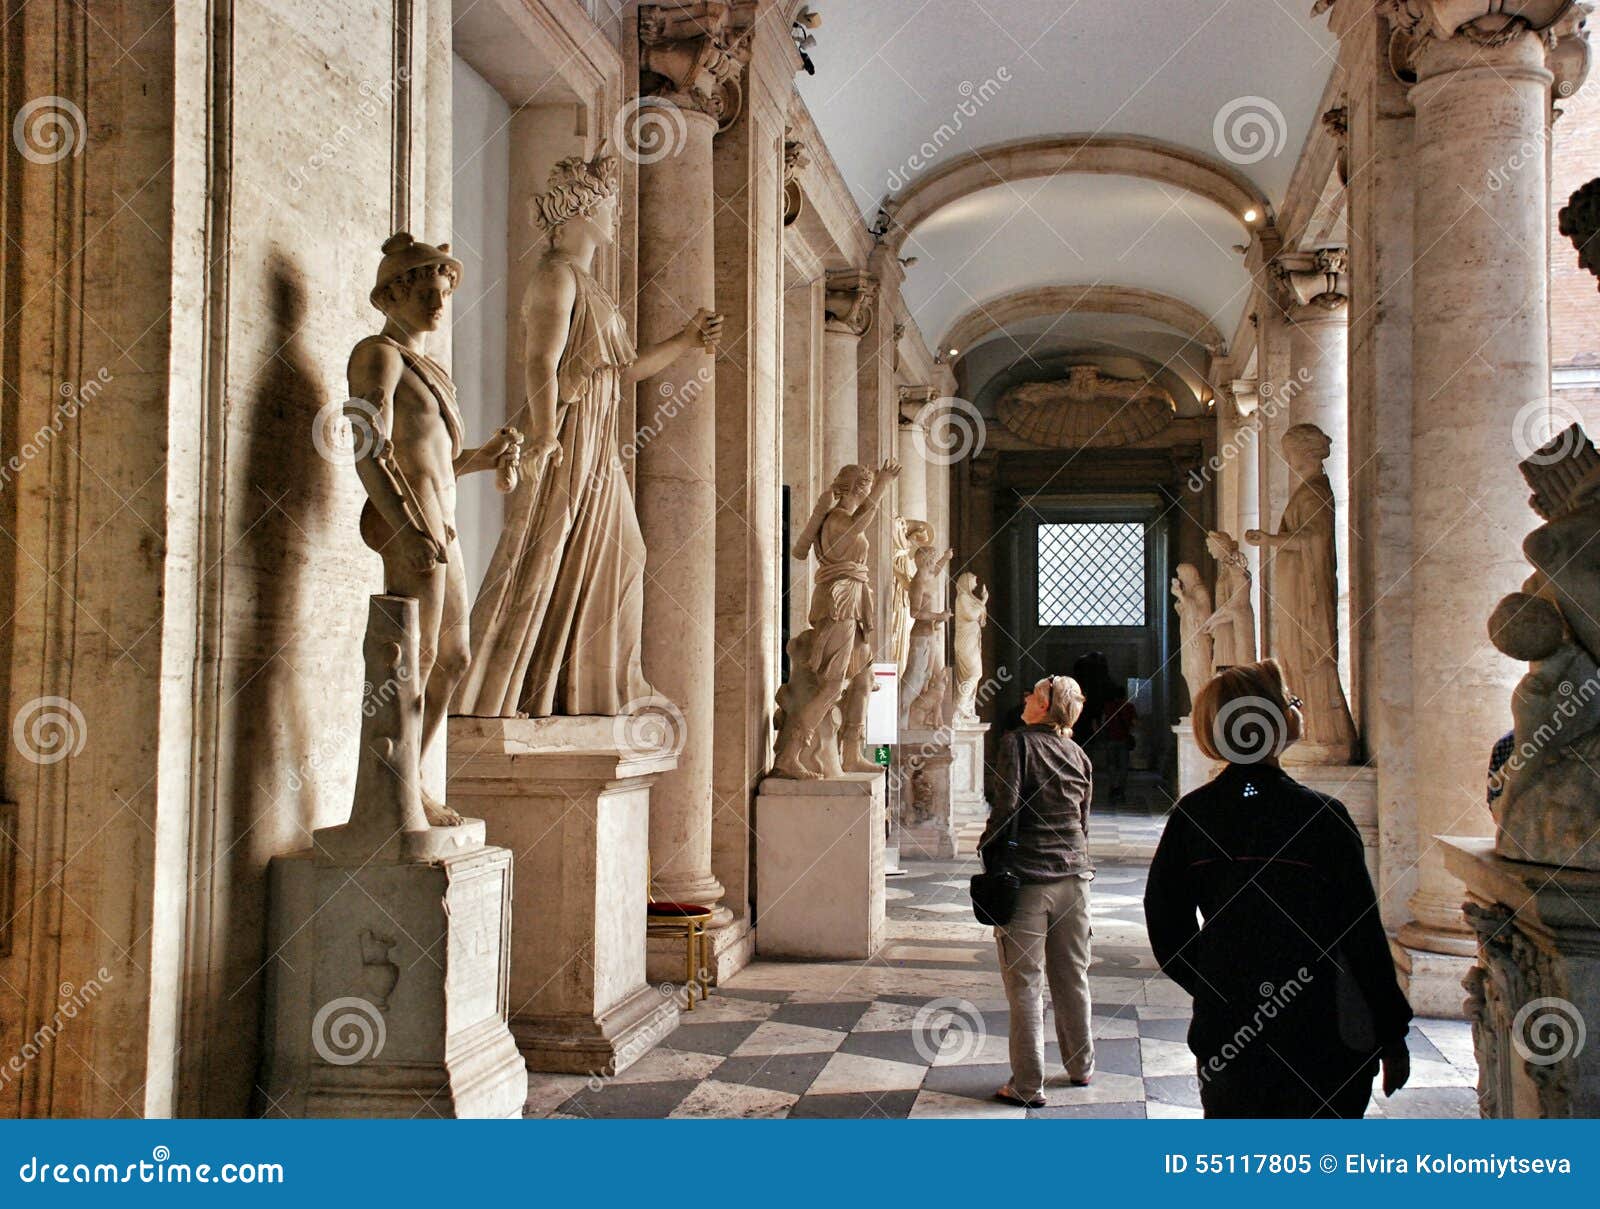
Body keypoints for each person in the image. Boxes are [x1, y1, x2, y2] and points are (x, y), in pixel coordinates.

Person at [457, 151, 723, 717]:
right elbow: (540, 363)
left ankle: (594, 688)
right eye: (608, 205)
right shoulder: (554, 275)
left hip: (600, 438)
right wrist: (546, 435)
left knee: (623, 552)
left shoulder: (589, 284)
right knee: (554, 547)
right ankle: (529, 686)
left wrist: (686, 340)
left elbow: (621, 368)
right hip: (573, 433)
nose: (616, 216)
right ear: (581, 210)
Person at [1143, 659, 1412, 1118]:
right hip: (1322, 1031)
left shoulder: (1194, 816)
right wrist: (1391, 1031)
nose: (1297, 707)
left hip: (1231, 1033)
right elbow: (1361, 934)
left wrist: (1219, 984)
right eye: (1291, 700)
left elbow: (1167, 927)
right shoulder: (1321, 817)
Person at [347, 232, 523, 825]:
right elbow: (368, 447)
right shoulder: (378, 354)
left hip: (438, 525)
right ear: (393, 295)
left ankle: (412, 778)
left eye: (443, 291)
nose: (438, 303)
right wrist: (406, 522)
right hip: (411, 525)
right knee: (413, 659)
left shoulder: (431, 369)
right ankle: (398, 797)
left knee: (454, 657)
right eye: (425, 289)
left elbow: (434, 461)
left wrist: (486, 456)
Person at [979, 675, 1095, 1108]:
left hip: (1028, 880)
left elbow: (1006, 805)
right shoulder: (1078, 754)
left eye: (1034, 694)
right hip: (1075, 878)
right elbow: (1083, 818)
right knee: (1072, 977)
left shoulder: (1019, 743)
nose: (1025, 697)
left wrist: (987, 848)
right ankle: (1081, 1066)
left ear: (1044, 708)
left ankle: (1027, 1085)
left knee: (1026, 983)